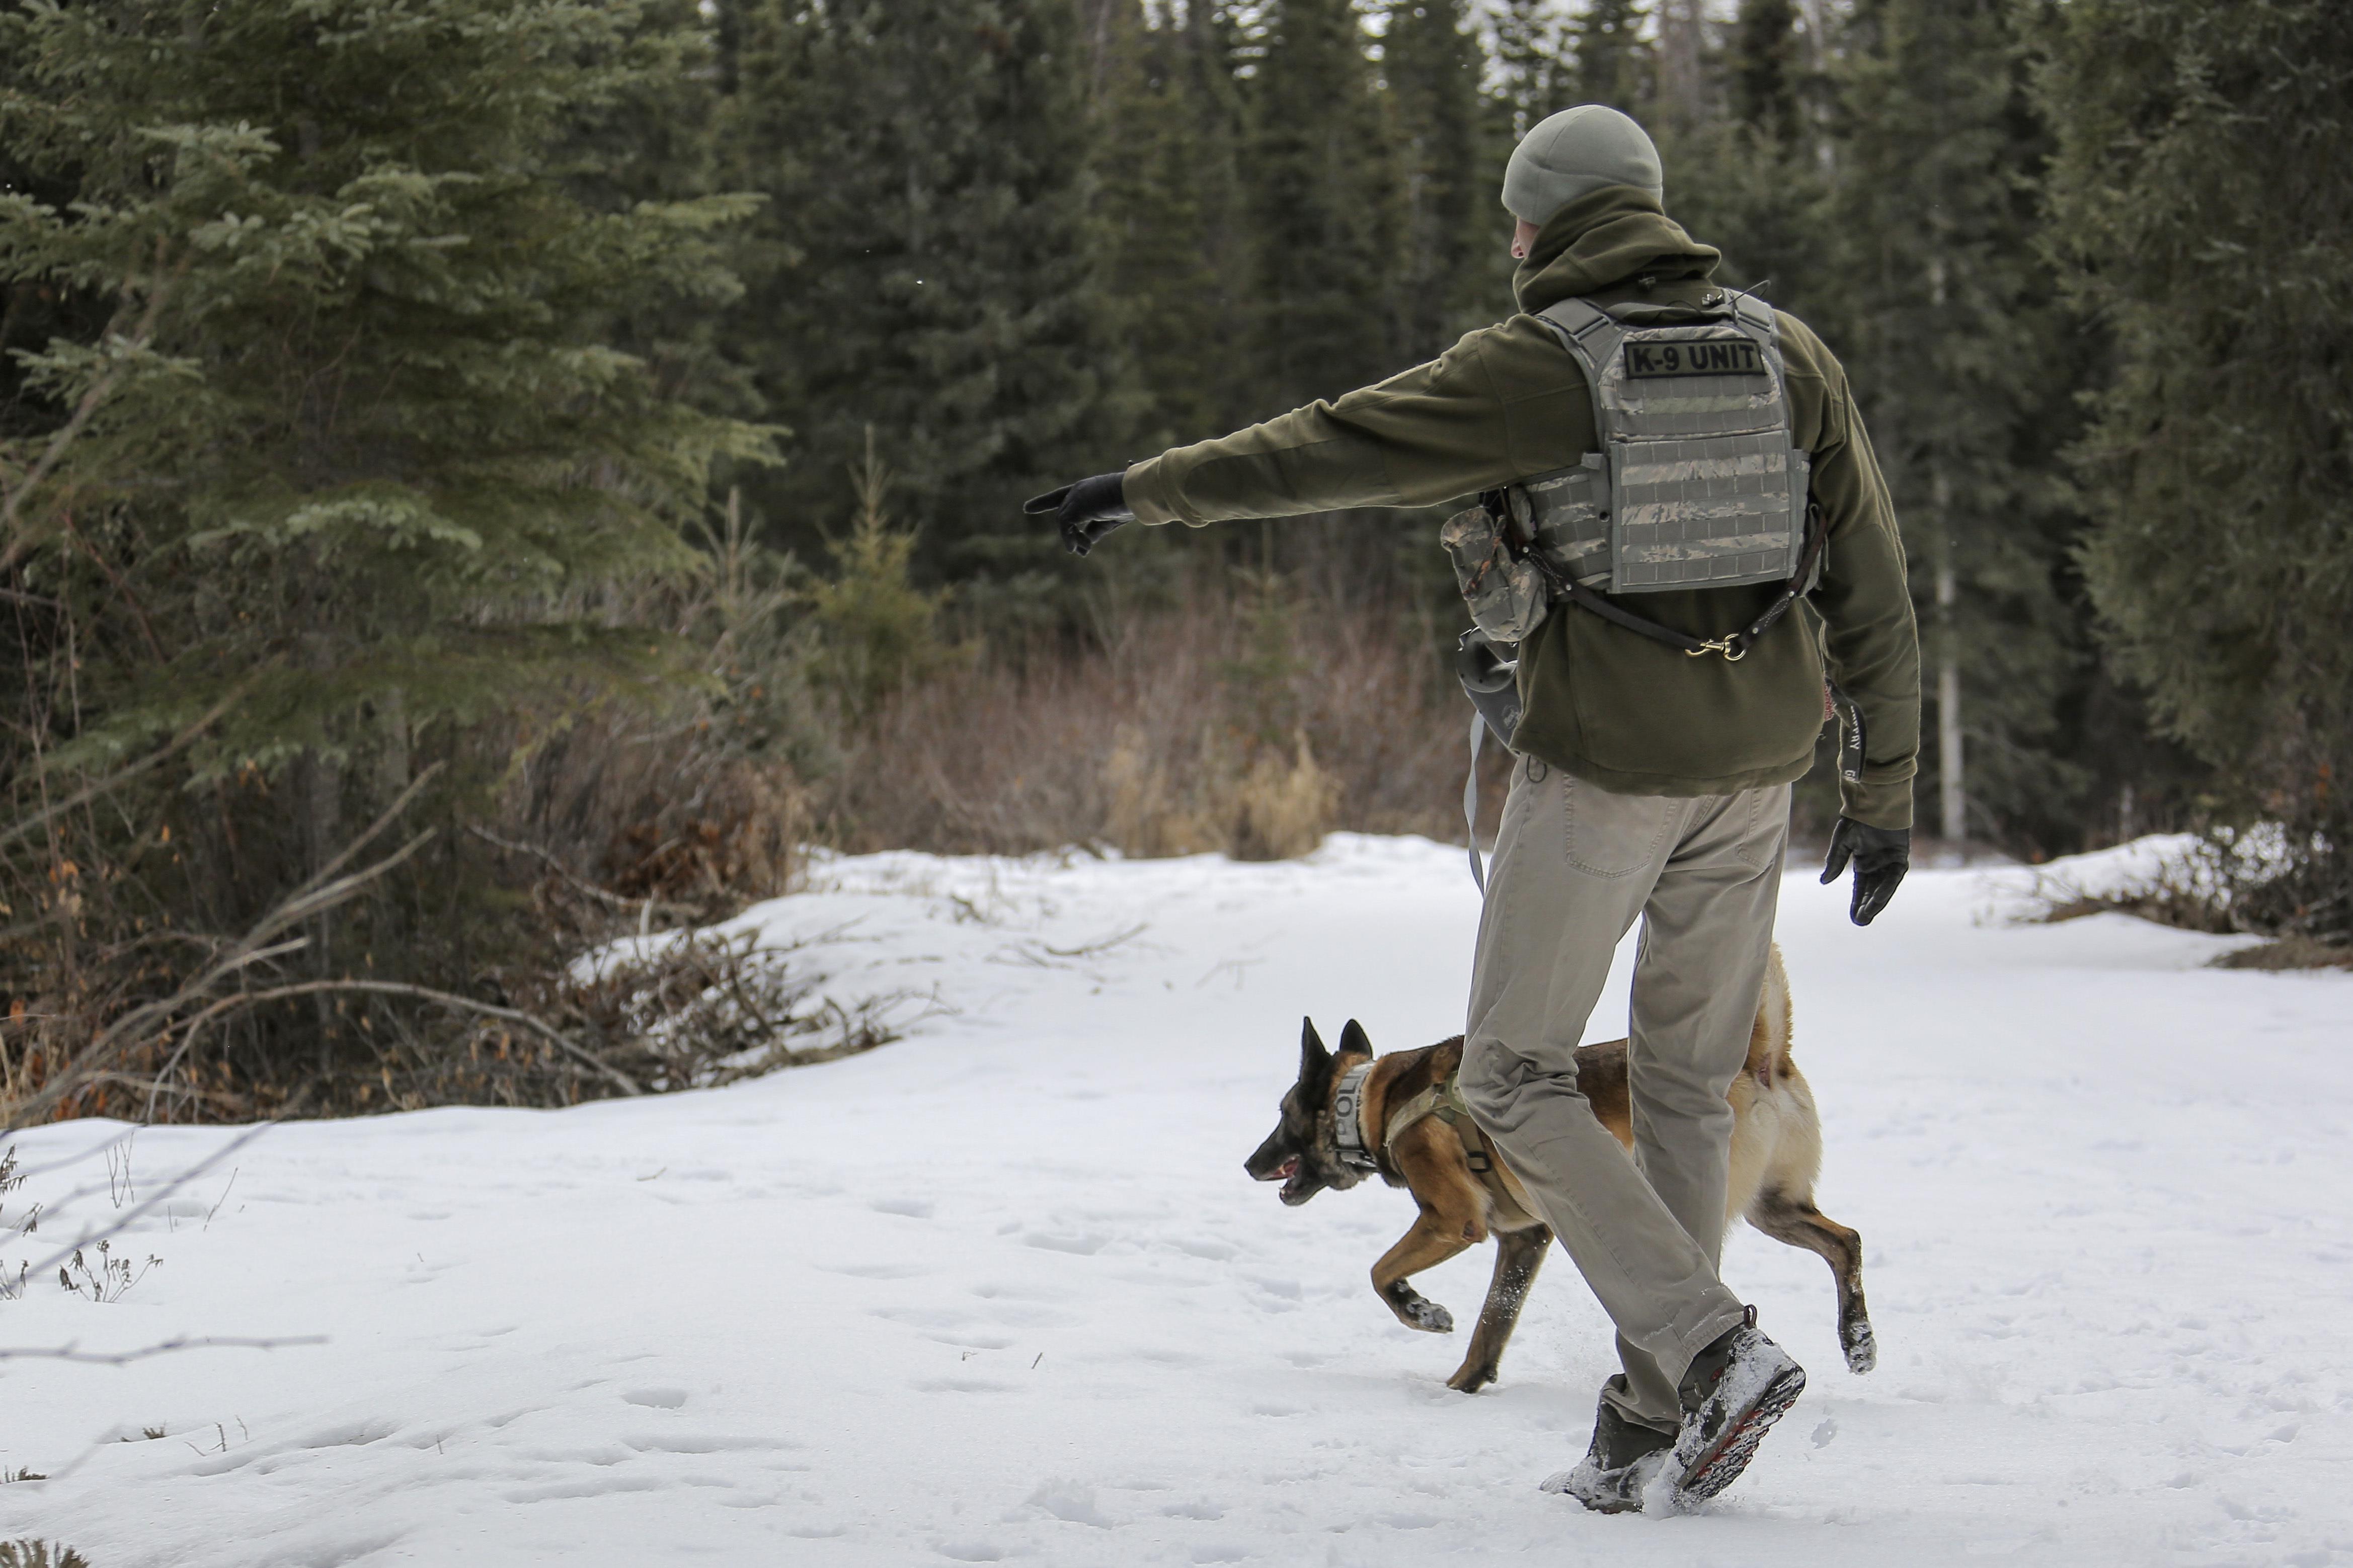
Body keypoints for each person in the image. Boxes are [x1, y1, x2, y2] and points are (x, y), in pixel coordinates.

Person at [1028, 105, 1918, 1513]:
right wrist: (1884, 790)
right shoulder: (1784, 348)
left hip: (1606, 776)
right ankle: (1640, 1423)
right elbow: (1870, 569)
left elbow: (1326, 446)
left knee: (1507, 1075)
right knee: (1687, 1088)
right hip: (1758, 776)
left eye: (1516, 221)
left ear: (1543, 223)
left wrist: (1141, 493)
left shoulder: (1538, 364)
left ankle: (1701, 1352)